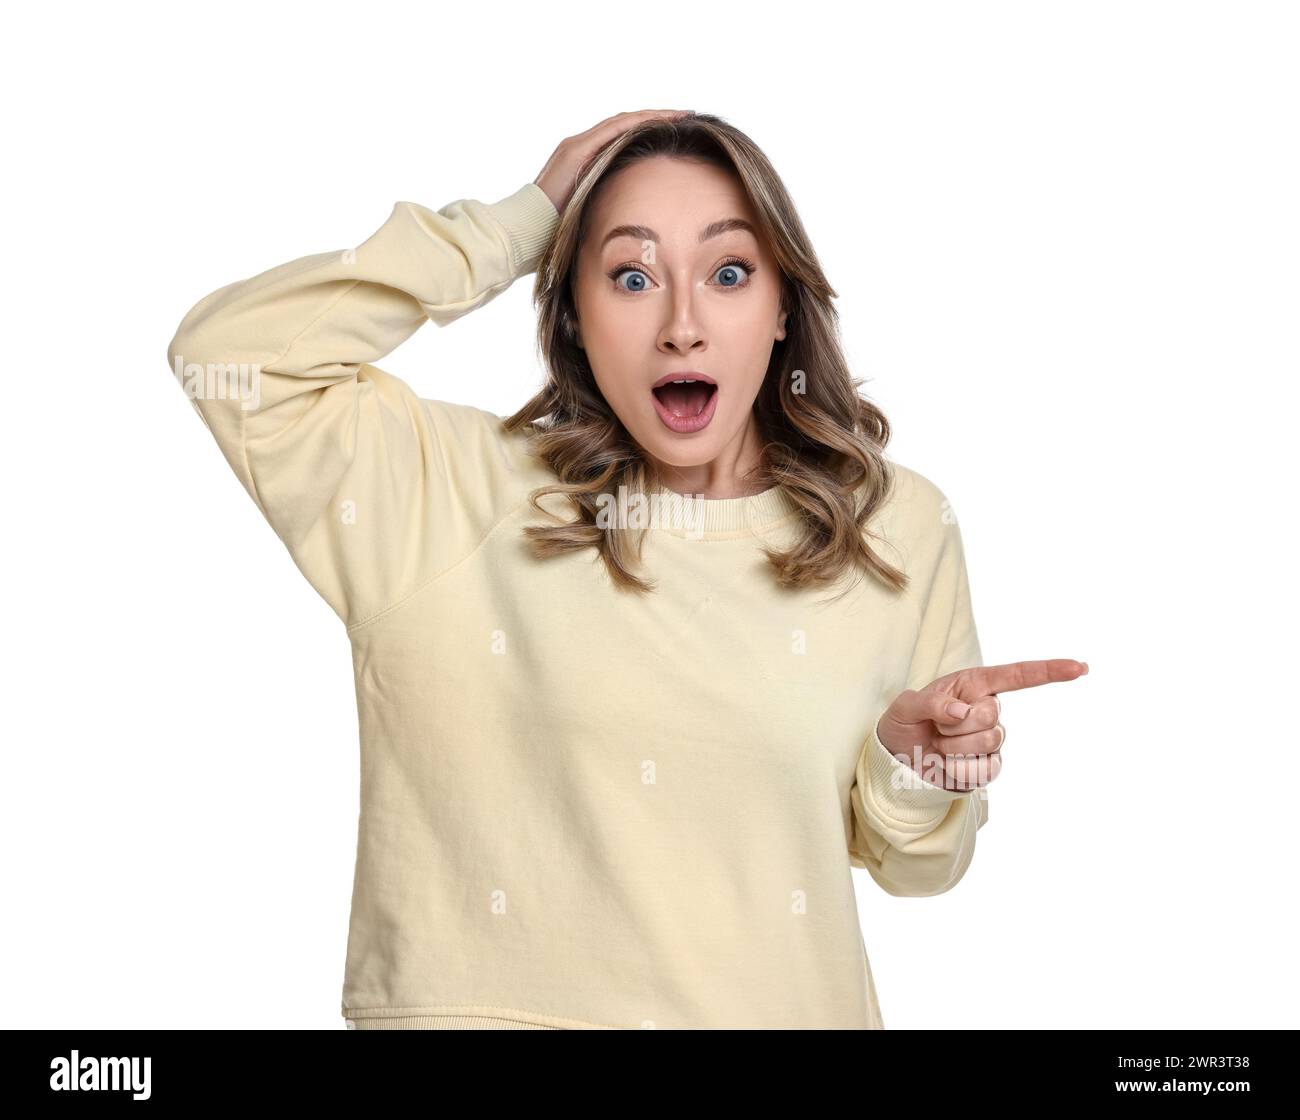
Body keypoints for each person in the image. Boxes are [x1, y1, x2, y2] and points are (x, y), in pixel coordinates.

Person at [167, 109, 1087, 1029]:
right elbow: (231, 358)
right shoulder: (450, 493)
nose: (682, 326)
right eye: (632, 276)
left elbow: (920, 869)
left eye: (729, 273)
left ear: (780, 310)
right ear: (572, 312)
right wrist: (519, 222)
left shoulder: (893, 525)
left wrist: (912, 764)